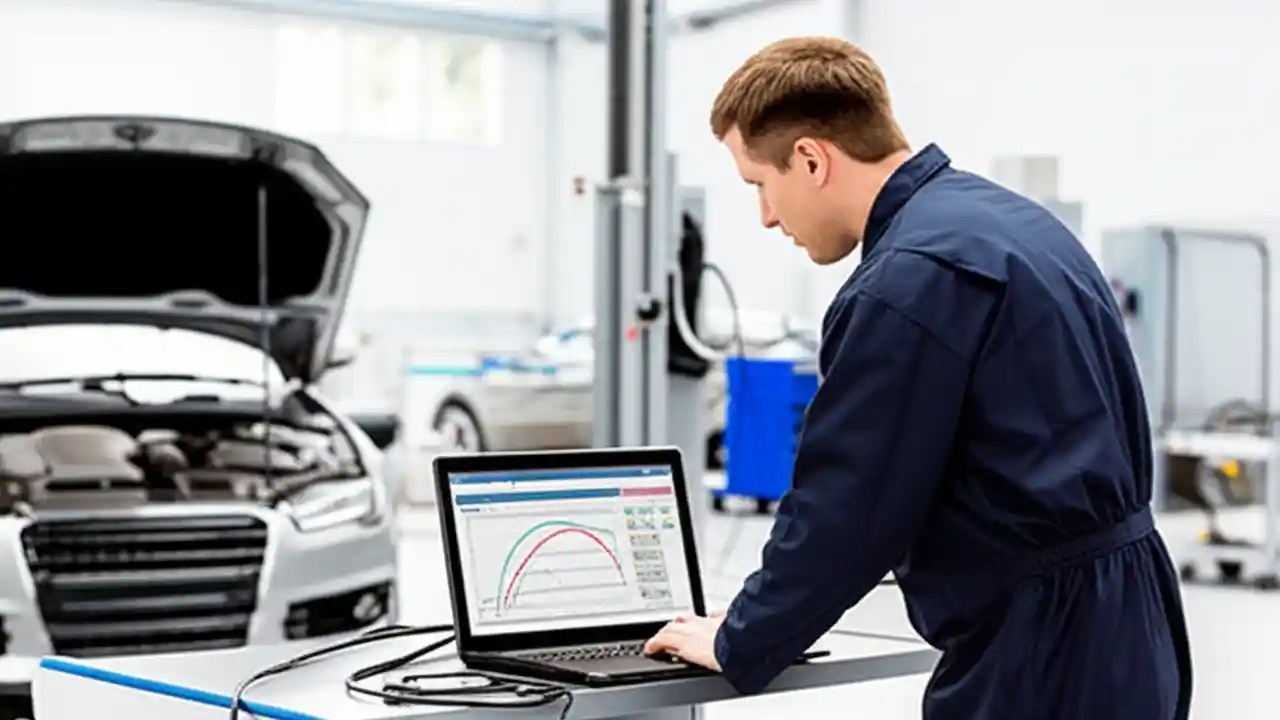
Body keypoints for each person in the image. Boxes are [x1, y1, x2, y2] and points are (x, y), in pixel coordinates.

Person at [643, 36, 1192, 719]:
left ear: (811, 159)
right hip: (1133, 622)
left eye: (760, 184)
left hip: (1041, 651)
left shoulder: (906, 280)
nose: (766, 216)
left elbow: (847, 505)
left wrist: (742, 636)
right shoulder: (1013, 223)